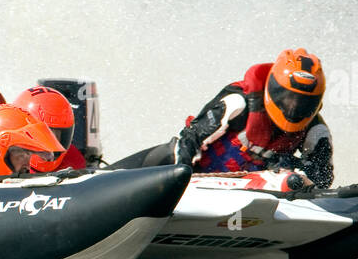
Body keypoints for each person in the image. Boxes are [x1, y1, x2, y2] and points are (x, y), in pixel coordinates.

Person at [114, 48, 333, 189]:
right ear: (271, 88)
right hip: (196, 183)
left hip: (258, 194)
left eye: (302, 102)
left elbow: (322, 181)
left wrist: (293, 174)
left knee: (295, 181)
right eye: (286, 98)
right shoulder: (239, 103)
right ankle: (100, 179)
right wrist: (177, 182)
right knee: (169, 153)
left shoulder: (316, 131)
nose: (293, 107)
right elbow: (189, 141)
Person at [12, 86, 87, 173]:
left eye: (55, 138)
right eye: (41, 136)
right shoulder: (5, 161)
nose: (49, 149)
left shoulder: (73, 162)